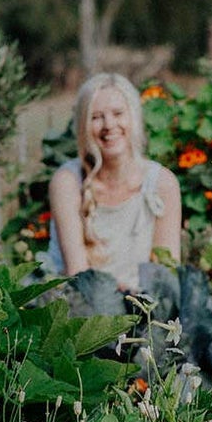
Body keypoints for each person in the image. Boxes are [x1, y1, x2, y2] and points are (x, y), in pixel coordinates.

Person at [48, 72, 183, 291]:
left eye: (118, 113)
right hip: (82, 305)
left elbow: (167, 270)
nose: (109, 125)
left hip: (142, 306)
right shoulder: (67, 182)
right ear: (83, 126)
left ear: (134, 118)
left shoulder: (162, 183)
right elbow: (78, 275)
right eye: (96, 117)